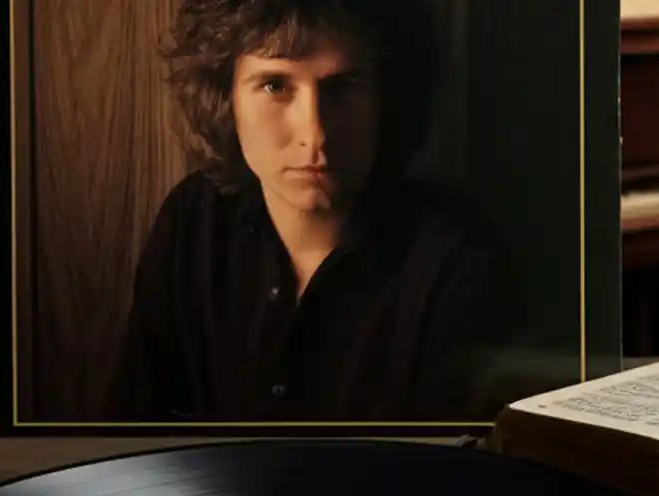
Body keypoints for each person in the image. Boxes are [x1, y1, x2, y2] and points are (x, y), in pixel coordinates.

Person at [104, 0, 512, 423]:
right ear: (225, 98)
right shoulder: (192, 221)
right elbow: (131, 428)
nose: (315, 133)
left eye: (343, 85)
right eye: (275, 86)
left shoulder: (457, 260)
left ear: (386, 98)